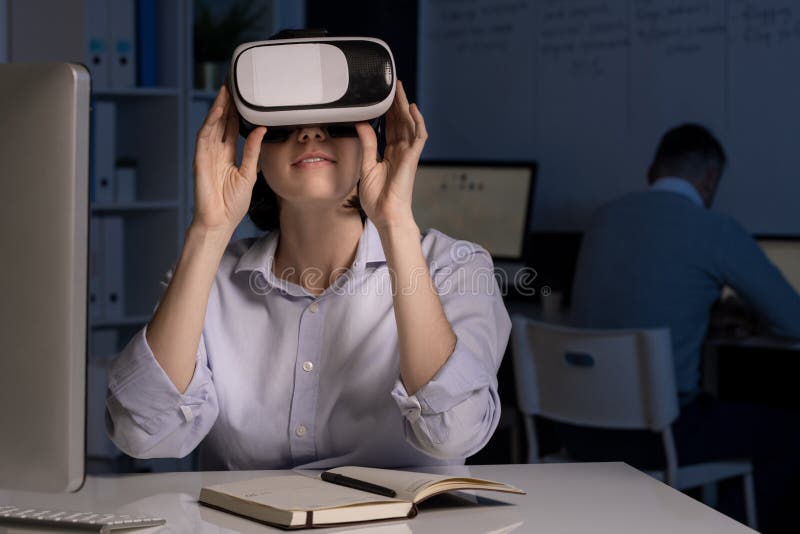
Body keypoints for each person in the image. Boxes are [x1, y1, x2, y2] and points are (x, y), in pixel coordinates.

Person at [104, 59, 511, 469]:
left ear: (372, 137)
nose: (310, 133)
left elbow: (454, 434)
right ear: (253, 148)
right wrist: (209, 229)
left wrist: (396, 223)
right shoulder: (210, 279)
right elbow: (142, 434)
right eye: (284, 122)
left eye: (334, 120)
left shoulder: (455, 268)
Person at [563, 123, 800, 532]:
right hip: (659, 438)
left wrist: (706, 315)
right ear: (710, 179)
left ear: (652, 171)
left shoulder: (603, 220)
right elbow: (792, 320)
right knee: (793, 432)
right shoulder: (714, 230)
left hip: (576, 432)